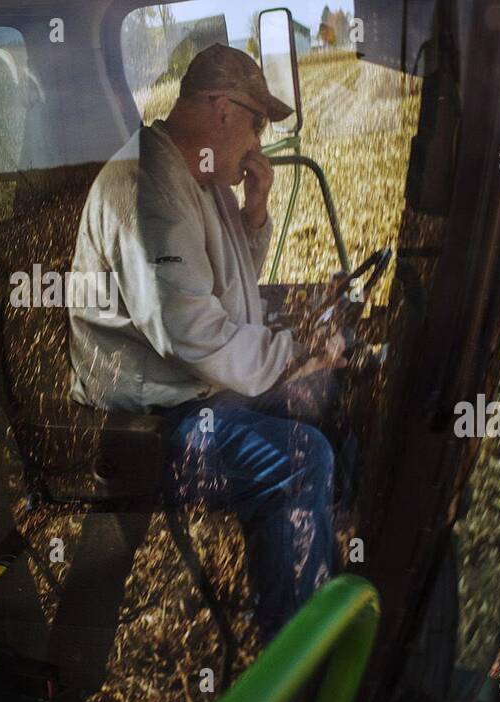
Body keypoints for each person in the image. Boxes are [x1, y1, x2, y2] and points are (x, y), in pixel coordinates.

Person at [67, 44, 344, 643]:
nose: (258, 144)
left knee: (326, 399)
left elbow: (228, 290)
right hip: (150, 426)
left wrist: (255, 211)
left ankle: (314, 594)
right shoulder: (144, 186)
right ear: (221, 107)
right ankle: (292, 668)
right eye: (256, 124)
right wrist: (295, 352)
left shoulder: (202, 175)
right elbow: (191, 330)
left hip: (199, 392)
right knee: (303, 463)